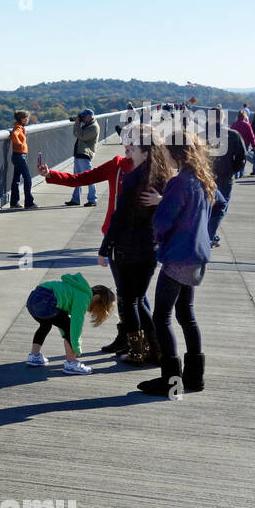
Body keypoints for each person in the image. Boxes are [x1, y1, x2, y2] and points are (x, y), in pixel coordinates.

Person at [136, 130, 226, 396]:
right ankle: (194, 379)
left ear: (175, 153)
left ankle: (171, 381)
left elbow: (163, 220)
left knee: (161, 317)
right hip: (197, 255)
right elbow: (220, 205)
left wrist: (158, 239)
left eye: (165, 151)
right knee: (186, 314)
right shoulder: (204, 179)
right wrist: (204, 233)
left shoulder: (179, 183)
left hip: (178, 257)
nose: (163, 155)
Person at [39, 131, 138, 353]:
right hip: (116, 239)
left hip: (141, 241)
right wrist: (51, 174)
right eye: (126, 143)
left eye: (130, 143)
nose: (125, 146)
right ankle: (132, 339)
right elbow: (82, 179)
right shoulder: (117, 165)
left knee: (133, 295)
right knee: (127, 293)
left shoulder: (155, 169)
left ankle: (141, 341)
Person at [99, 125, 176, 366]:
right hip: (151, 248)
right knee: (140, 297)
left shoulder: (133, 178)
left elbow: (119, 218)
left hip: (127, 248)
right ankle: (157, 348)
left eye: (133, 148)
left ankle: (137, 351)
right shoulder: (164, 176)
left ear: (144, 152)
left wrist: (104, 249)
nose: (129, 152)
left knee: (128, 300)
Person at [24, 272, 115, 375]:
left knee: (46, 325)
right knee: (70, 328)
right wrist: (77, 347)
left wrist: (65, 333)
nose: (92, 311)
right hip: (48, 301)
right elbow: (76, 324)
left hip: (33, 300)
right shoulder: (84, 296)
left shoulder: (75, 289)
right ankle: (71, 364)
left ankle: (34, 356)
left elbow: (61, 319)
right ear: (97, 298)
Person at [207, 113, 247, 247]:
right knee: (220, 206)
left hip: (205, 175)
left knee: (206, 206)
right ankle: (210, 235)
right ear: (223, 118)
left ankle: (208, 234)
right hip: (225, 176)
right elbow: (242, 156)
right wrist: (233, 170)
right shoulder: (233, 134)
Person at [66, 110, 100, 206]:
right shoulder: (86, 125)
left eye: (84, 116)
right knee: (77, 178)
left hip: (85, 154)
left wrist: (77, 122)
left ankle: (93, 199)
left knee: (90, 177)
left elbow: (82, 136)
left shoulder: (94, 127)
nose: (83, 118)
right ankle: (75, 199)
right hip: (79, 153)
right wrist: (78, 123)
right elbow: (76, 133)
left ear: (90, 116)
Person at [8, 110, 35, 209]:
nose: (28, 120)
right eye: (27, 118)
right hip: (19, 156)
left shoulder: (19, 127)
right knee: (27, 179)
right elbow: (14, 135)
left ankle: (14, 202)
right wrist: (19, 144)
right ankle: (29, 203)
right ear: (23, 119)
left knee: (16, 180)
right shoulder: (18, 128)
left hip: (17, 156)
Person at [231, 110, 255, 179]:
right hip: (245, 144)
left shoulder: (234, 124)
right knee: (243, 158)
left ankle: (236, 173)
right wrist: (253, 145)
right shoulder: (247, 125)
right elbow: (251, 135)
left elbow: (230, 134)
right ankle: (241, 173)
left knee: (235, 158)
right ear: (244, 117)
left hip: (235, 144)